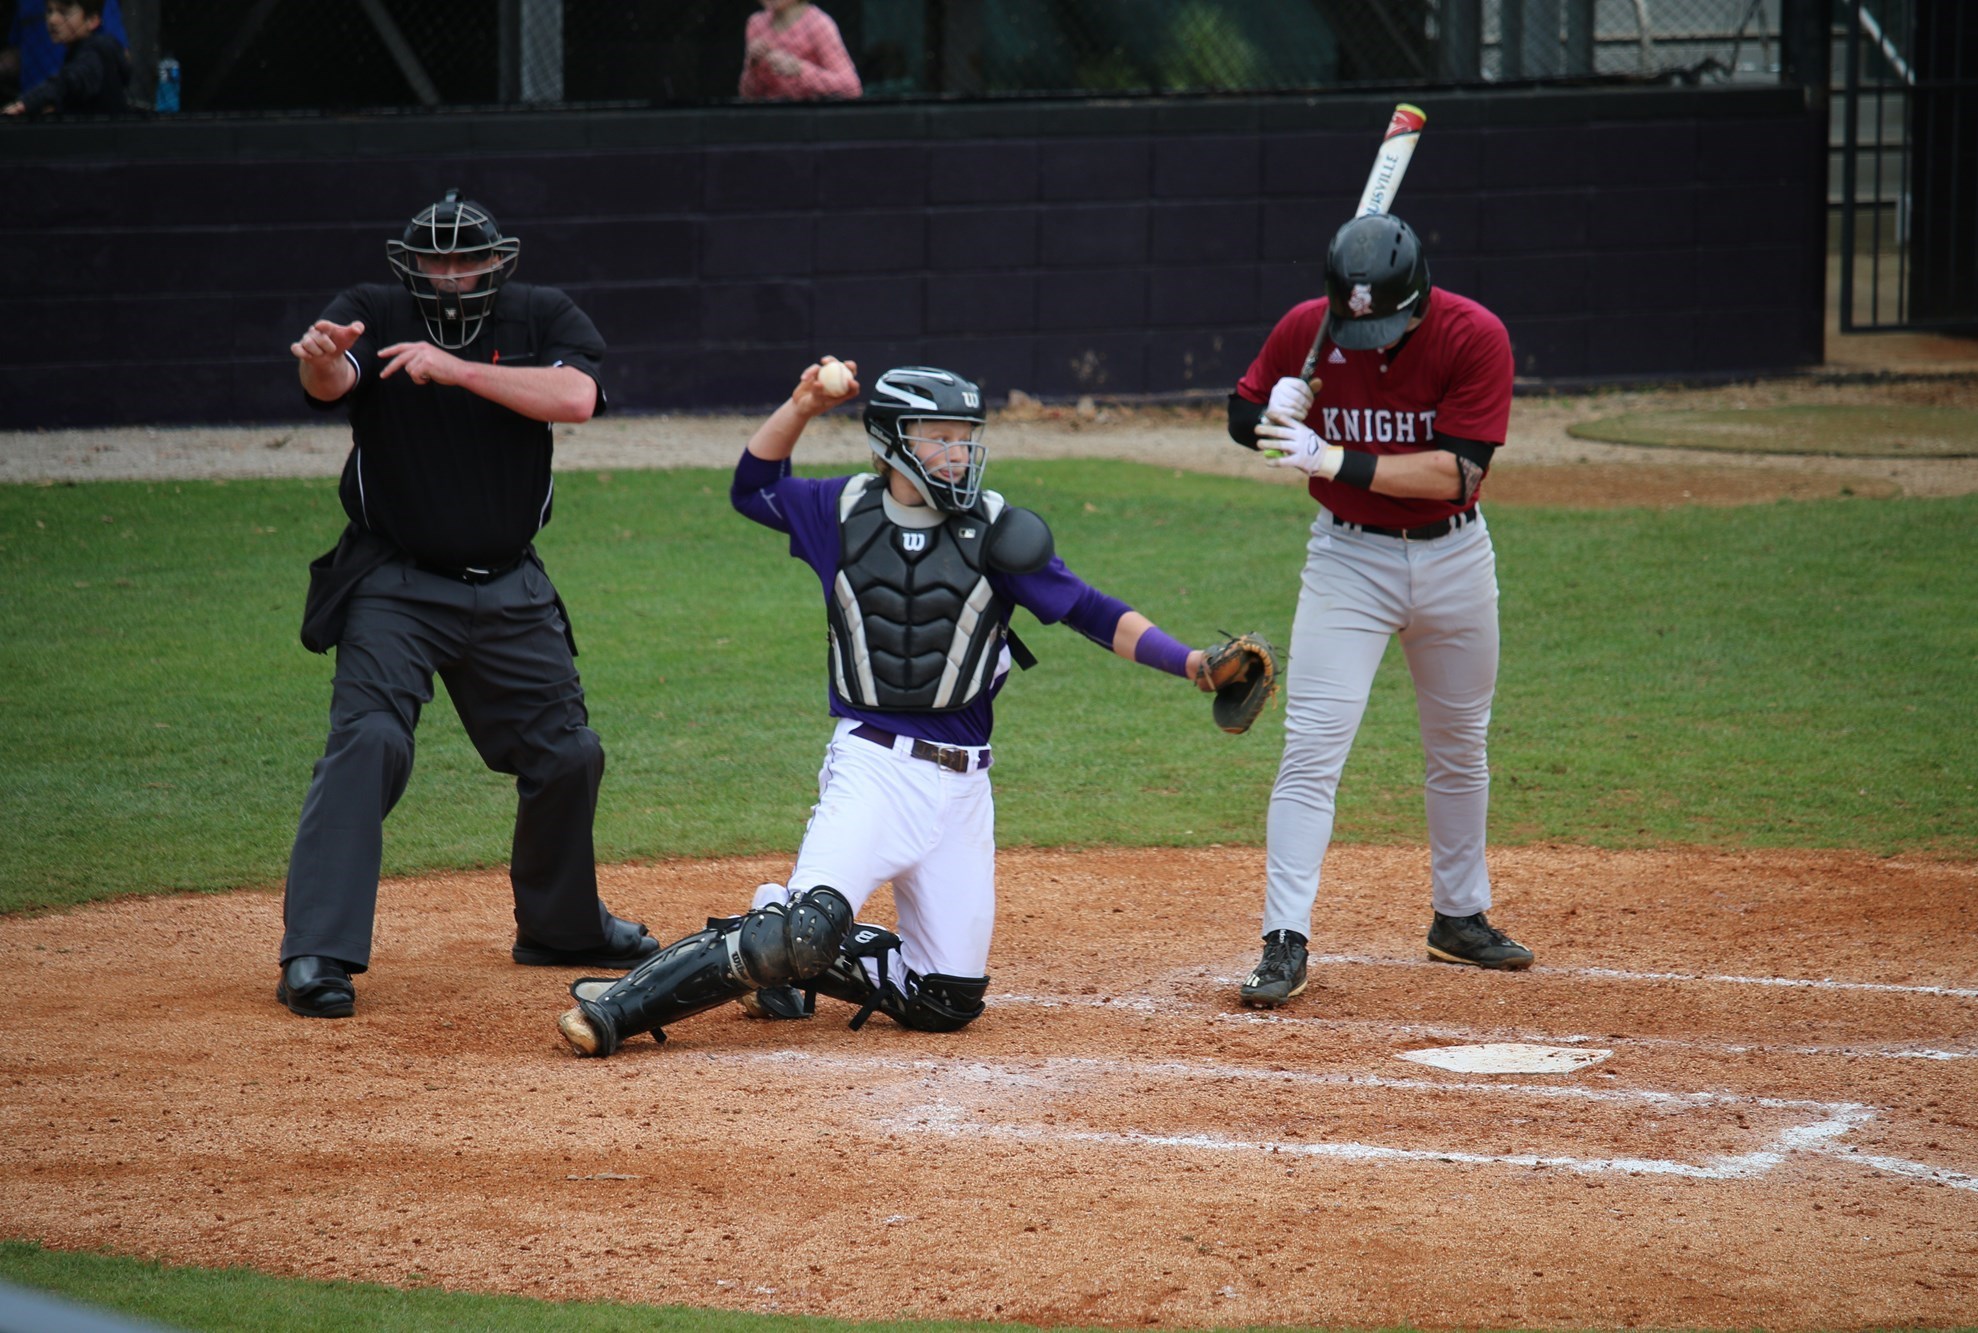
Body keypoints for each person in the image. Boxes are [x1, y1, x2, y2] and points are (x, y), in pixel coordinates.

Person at [555, 360, 1260, 1057]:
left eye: (966, 438)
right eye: (939, 438)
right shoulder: (839, 511)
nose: (957, 454)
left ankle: (776, 928)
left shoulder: (997, 530)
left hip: (962, 788)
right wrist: (802, 403)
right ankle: (621, 1006)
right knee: (808, 931)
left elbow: (1089, 610)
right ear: (891, 441)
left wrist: (1193, 663)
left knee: (946, 998)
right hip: (874, 767)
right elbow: (752, 487)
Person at [276, 189, 660, 1019]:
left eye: (467, 259)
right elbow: (331, 377)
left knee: (567, 752)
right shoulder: (373, 308)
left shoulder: (539, 314)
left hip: (511, 583)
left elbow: (577, 397)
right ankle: (317, 950)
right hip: (395, 581)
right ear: (408, 265)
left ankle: (560, 927)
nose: (450, 275)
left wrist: (454, 368)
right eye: (434, 260)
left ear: (499, 261)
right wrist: (320, 357)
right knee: (370, 740)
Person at [1228, 212, 1533, 1009]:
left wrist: (1328, 455)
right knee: (1312, 747)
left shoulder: (1475, 335)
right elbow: (1243, 418)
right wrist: (1270, 418)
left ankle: (1459, 918)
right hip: (1348, 561)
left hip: (1455, 556)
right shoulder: (1310, 326)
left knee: (1460, 742)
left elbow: (1457, 474)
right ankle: (1283, 939)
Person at [3, 0, 128, 117]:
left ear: (92, 20)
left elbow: (73, 79)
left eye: (64, 13)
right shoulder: (77, 51)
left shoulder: (97, 51)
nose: (52, 20)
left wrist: (31, 101)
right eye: (49, 11)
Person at [738, 0, 860, 102]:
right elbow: (747, 95)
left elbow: (851, 88)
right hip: (769, 119)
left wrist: (800, 70)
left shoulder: (819, 24)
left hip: (812, 119)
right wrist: (752, 65)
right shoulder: (755, 24)